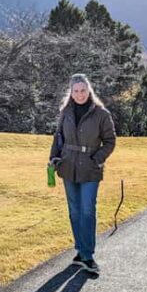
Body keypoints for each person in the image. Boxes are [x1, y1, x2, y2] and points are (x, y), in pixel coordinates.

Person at [49, 73, 116, 274]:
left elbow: (110, 141)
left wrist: (97, 159)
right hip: (68, 166)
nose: (80, 94)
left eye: (83, 90)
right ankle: (80, 250)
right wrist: (53, 158)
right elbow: (58, 137)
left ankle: (88, 255)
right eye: (76, 91)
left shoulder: (101, 114)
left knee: (87, 210)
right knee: (74, 211)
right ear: (71, 92)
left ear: (89, 90)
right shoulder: (65, 112)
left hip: (90, 169)